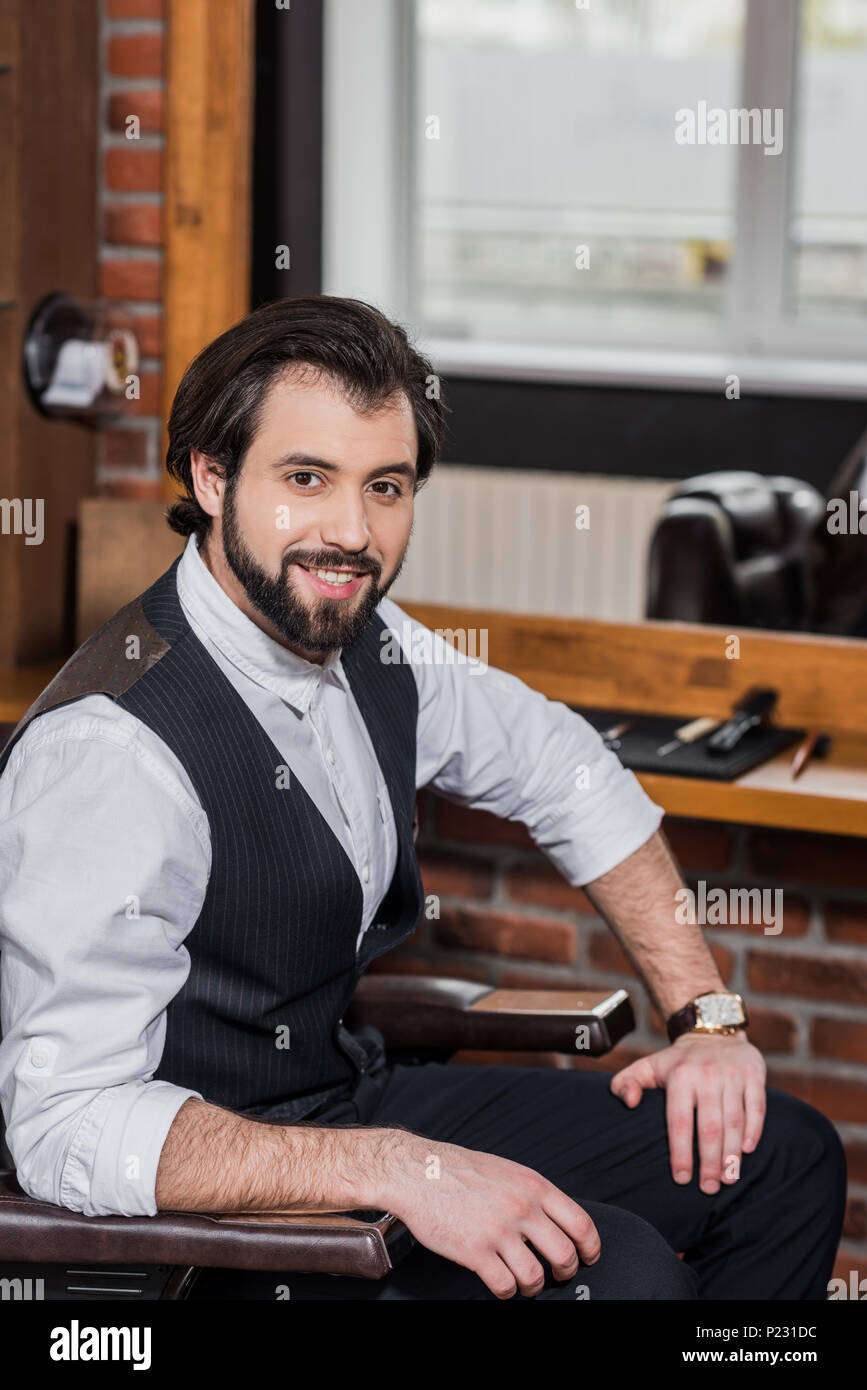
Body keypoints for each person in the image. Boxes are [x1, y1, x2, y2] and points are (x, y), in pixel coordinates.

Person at [0, 296, 845, 1301]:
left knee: (781, 1158)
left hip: (351, 1104)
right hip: (208, 1212)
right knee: (625, 1280)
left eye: (386, 486)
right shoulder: (109, 750)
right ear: (211, 478)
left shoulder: (364, 638)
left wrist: (705, 1019)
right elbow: (66, 1127)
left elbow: (564, 766)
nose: (353, 533)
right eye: (306, 478)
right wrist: (397, 1169)